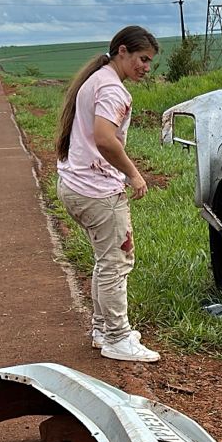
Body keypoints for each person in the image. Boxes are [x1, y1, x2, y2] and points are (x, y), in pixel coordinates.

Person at [55, 26, 162, 362]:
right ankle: (117, 338)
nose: (146, 67)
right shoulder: (114, 90)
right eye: (143, 59)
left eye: (150, 62)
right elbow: (104, 139)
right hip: (98, 192)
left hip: (74, 185)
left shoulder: (96, 79)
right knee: (117, 262)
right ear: (123, 52)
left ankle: (104, 330)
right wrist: (133, 173)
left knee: (106, 262)